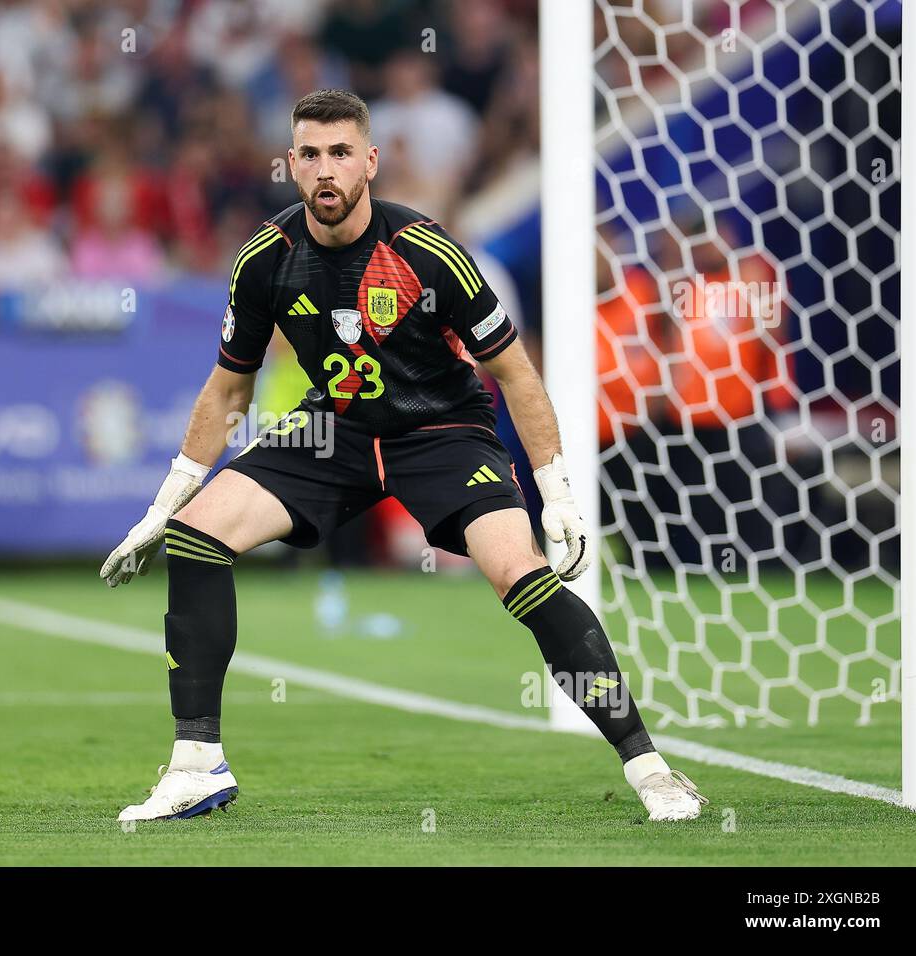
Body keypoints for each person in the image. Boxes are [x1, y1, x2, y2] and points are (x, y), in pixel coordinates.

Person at [100, 90, 708, 823]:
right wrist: (165, 506)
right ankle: (196, 765)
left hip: (442, 433)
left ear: (370, 162)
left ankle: (650, 769)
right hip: (336, 430)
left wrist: (559, 493)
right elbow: (229, 387)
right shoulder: (267, 259)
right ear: (292, 165)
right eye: (312, 155)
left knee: (522, 576)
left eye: (342, 153)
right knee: (197, 537)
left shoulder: (425, 251)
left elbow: (515, 371)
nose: (327, 170)